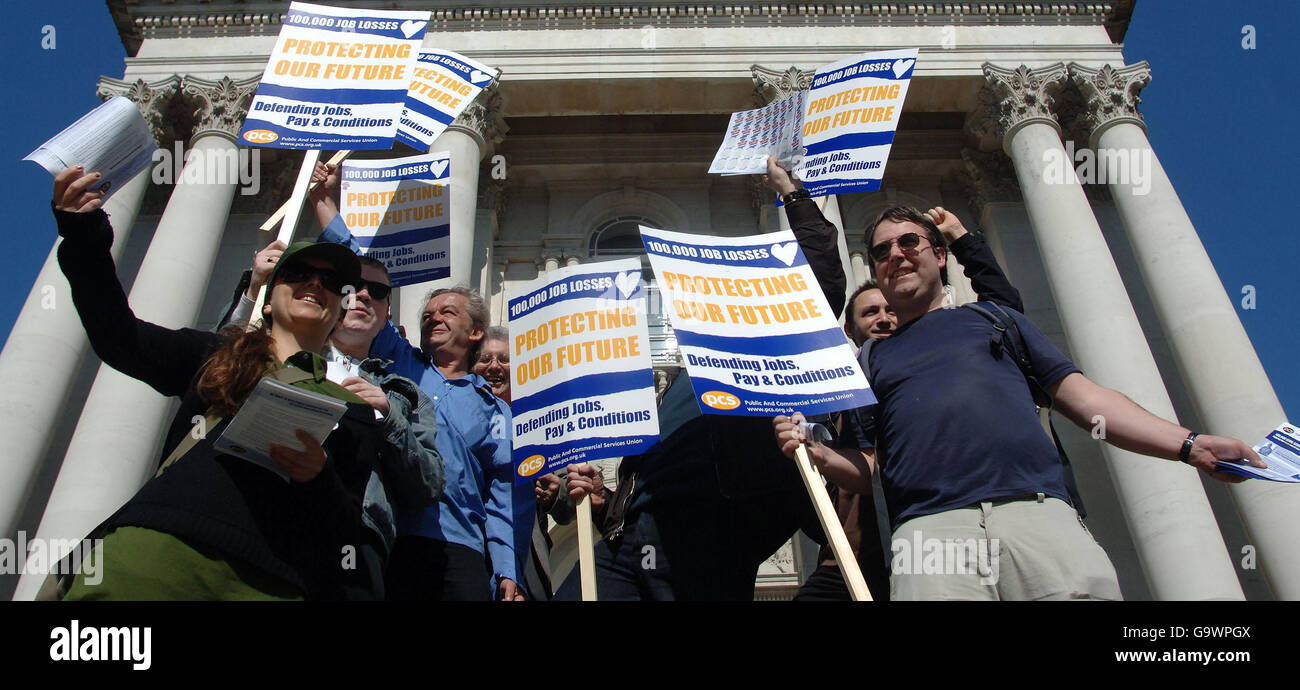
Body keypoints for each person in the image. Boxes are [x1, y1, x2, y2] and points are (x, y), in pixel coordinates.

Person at [774, 205, 1266, 600]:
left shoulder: (995, 320)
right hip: (930, 537)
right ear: (876, 271)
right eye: (881, 250)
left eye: (909, 242)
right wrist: (816, 452)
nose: (896, 255)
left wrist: (1188, 444)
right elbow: (870, 466)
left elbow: (1085, 399)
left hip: (1036, 515)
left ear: (940, 256)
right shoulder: (870, 360)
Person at [50, 165, 437, 600]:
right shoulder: (214, 354)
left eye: (331, 282)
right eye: (298, 274)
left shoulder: (355, 407)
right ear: (268, 300)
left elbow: (344, 529)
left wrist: (317, 476)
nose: (315, 282)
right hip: (154, 561)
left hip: (270, 585)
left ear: (336, 312)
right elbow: (117, 336)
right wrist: (83, 233)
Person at [555, 156, 840, 600]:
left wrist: (793, 195)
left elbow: (817, 282)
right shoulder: (682, 385)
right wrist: (604, 499)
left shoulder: (771, 357)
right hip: (629, 539)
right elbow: (653, 479)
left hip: (711, 532)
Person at [309, 162, 528, 601]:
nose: (434, 319)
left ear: (476, 332)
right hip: (392, 533)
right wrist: (323, 203)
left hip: (460, 549)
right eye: (428, 315)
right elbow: (363, 282)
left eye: (448, 313)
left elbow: (503, 496)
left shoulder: (497, 410)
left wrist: (507, 568)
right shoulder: (402, 366)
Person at [797, 207, 1025, 601]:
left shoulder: (946, 356)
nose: (884, 319)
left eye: (889, 311)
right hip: (855, 553)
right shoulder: (837, 392)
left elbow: (1004, 311)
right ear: (849, 329)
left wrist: (961, 240)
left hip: (933, 535)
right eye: (871, 313)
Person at [220, 242, 446, 599]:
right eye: (349, 287)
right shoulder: (280, 352)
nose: (363, 296)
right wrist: (254, 286)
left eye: (378, 291)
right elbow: (217, 366)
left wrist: (389, 419)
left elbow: (428, 486)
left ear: (388, 312)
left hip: (355, 539)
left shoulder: (404, 395)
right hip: (261, 513)